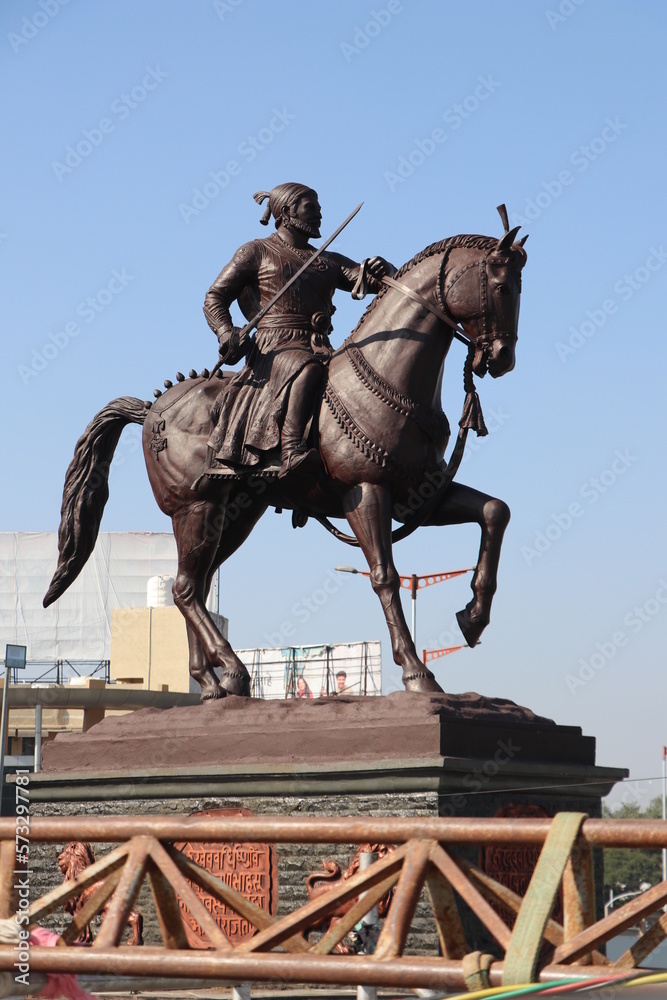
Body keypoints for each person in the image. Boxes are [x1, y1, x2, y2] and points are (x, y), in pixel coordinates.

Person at [203, 182, 395, 480]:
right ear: (286, 211)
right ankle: (291, 450)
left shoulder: (327, 260)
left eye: (319, 208)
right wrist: (226, 333)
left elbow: (364, 278)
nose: (320, 214)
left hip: (319, 343)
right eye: (311, 208)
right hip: (274, 347)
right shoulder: (256, 251)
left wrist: (382, 269)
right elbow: (215, 297)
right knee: (307, 368)